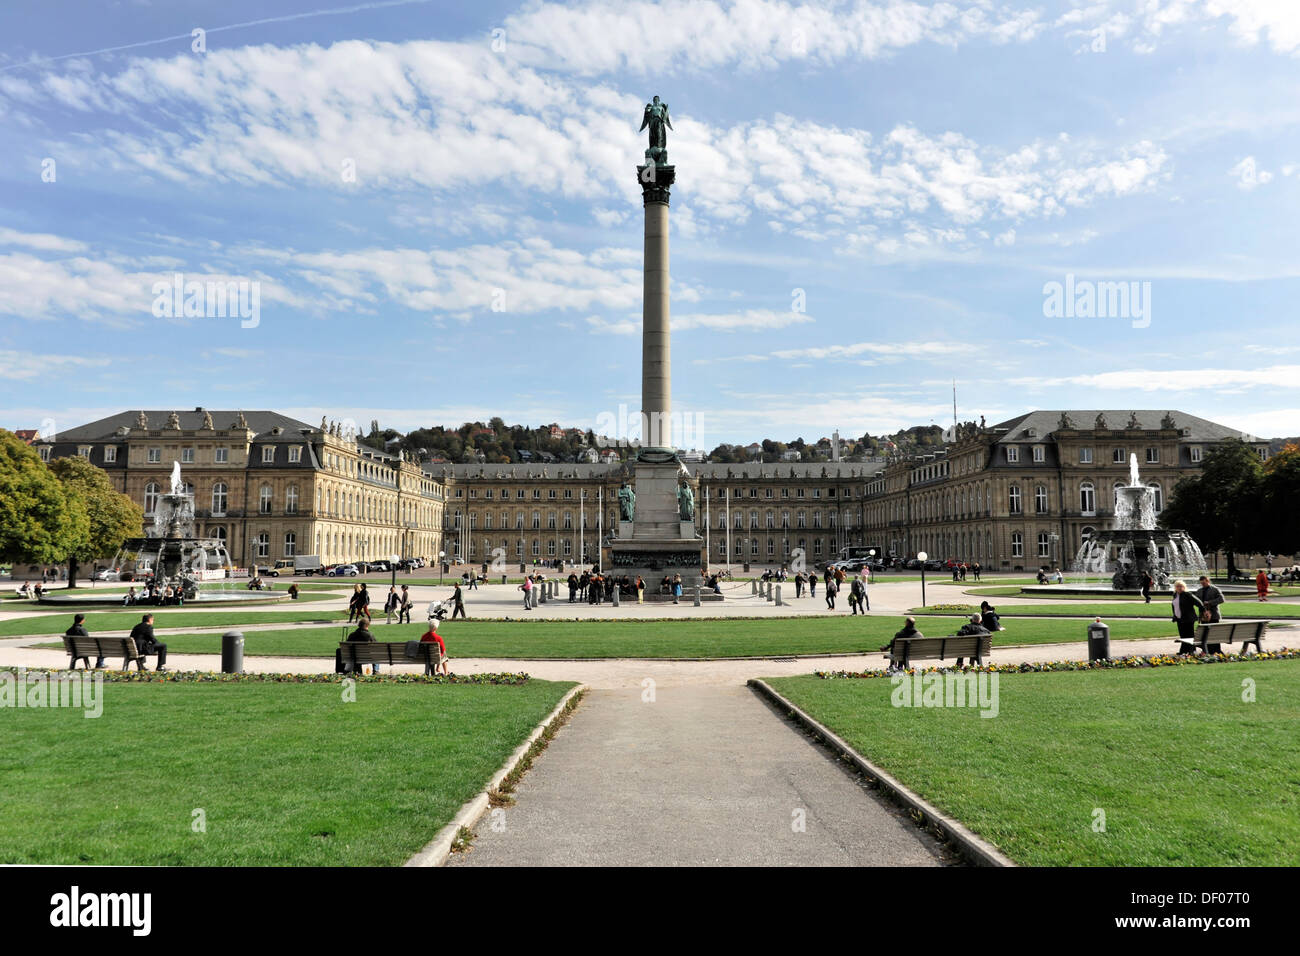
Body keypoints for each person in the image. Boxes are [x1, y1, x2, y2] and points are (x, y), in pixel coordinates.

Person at [1171, 579, 1206, 650]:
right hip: (1179, 619)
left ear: (1184, 587)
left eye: (1181, 586)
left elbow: (1200, 603)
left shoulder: (1188, 595)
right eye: (1178, 586)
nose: (1179, 588)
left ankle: (1190, 650)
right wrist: (1175, 615)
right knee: (1183, 635)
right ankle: (1185, 650)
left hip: (1188, 619)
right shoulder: (1175, 595)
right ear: (1175, 587)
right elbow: (1175, 606)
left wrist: (1203, 613)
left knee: (1189, 635)